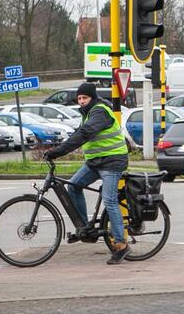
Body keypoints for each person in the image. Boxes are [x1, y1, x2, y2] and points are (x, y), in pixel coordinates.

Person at [43, 82, 130, 264]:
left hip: (112, 162)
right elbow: (79, 134)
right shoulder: (88, 113)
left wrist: (57, 152)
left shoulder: (100, 112)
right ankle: (84, 229)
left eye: (85, 98)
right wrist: (56, 148)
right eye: (79, 98)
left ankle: (121, 245)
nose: (81, 101)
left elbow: (84, 134)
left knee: (109, 200)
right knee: (73, 187)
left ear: (93, 98)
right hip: (95, 163)